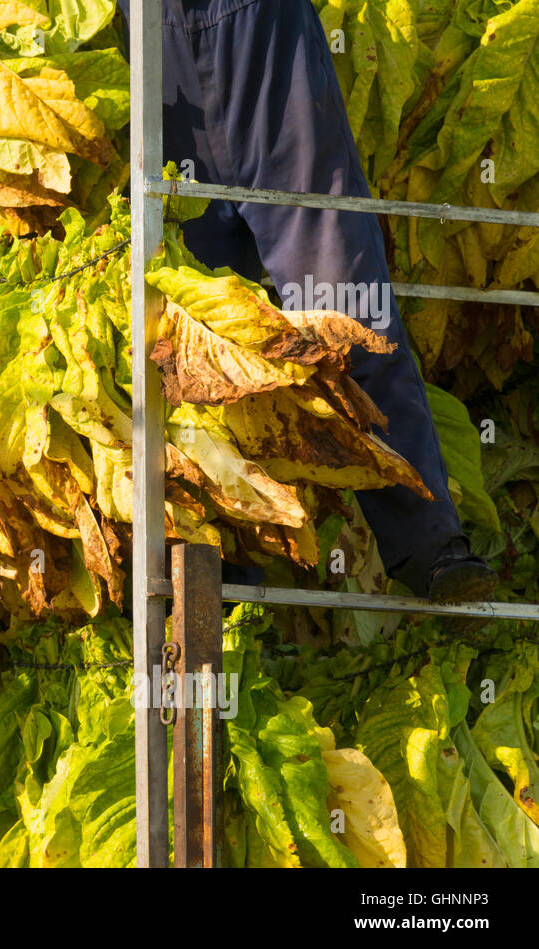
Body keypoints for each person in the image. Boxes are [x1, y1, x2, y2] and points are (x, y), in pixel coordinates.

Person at [115, 0, 498, 603]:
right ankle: (215, 570)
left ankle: (427, 542)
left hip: (265, 44)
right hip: (151, 49)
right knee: (187, 343)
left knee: (347, 304)